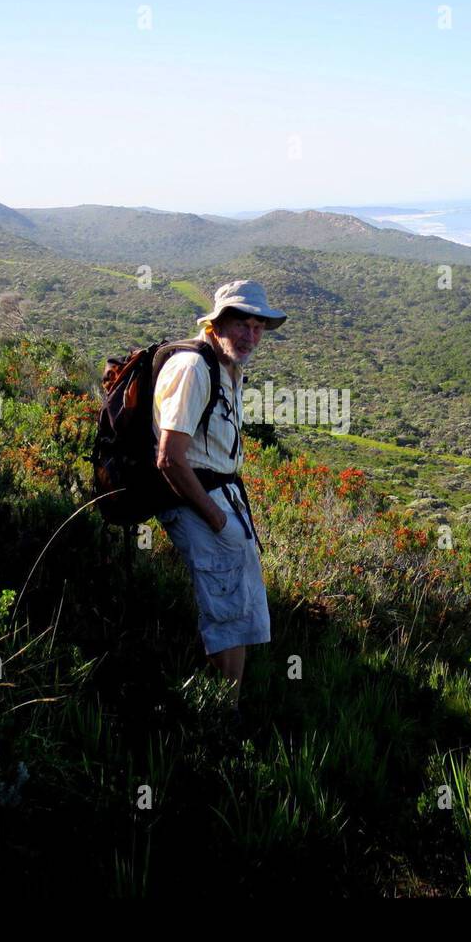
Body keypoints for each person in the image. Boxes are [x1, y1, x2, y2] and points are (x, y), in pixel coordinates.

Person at [152, 280, 286, 732]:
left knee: (236, 601)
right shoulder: (193, 368)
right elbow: (169, 457)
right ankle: (220, 717)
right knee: (227, 606)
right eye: (241, 323)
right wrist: (215, 518)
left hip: (220, 499)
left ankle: (227, 700)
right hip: (201, 504)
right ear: (215, 323)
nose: (251, 334)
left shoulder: (226, 366)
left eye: (257, 325)